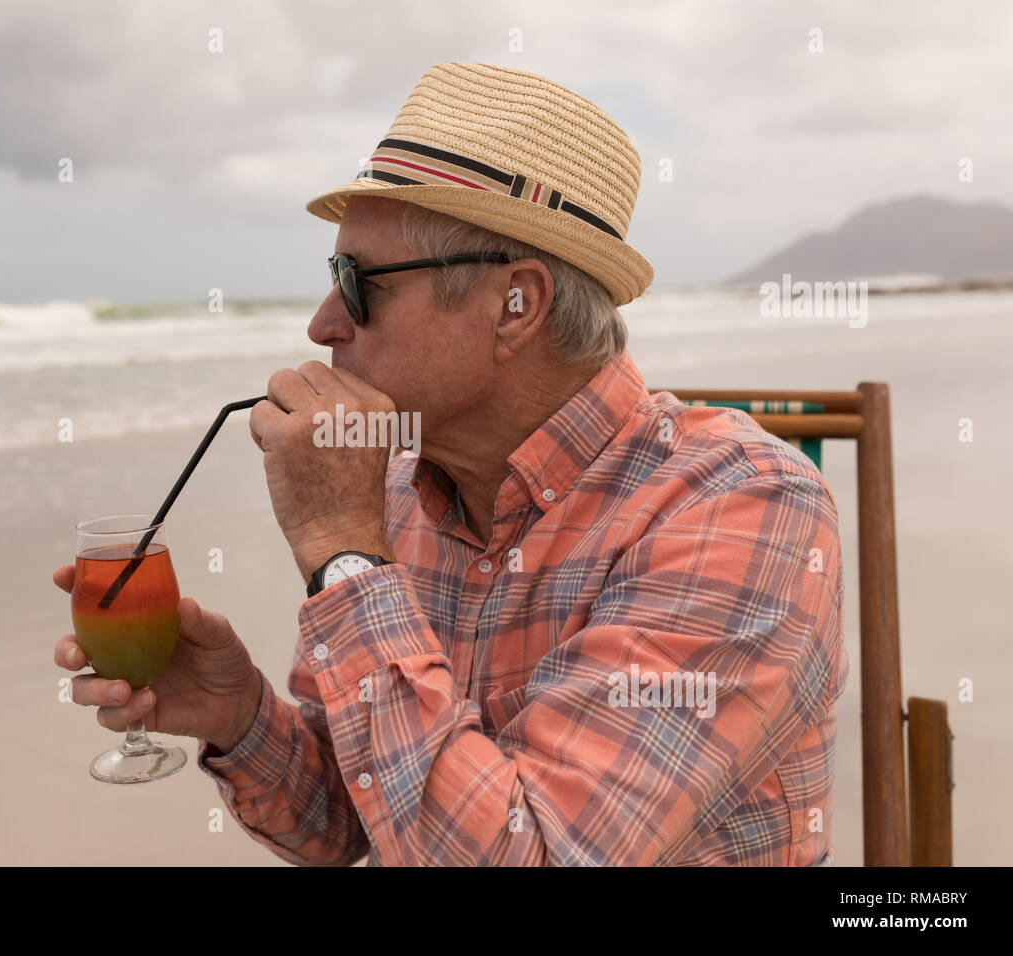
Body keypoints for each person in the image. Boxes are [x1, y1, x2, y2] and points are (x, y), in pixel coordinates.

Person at [53, 62, 848, 866]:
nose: (323, 324)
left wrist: (344, 553)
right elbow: (351, 827)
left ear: (517, 305)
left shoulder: (742, 505)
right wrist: (240, 715)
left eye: (357, 283)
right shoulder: (398, 493)